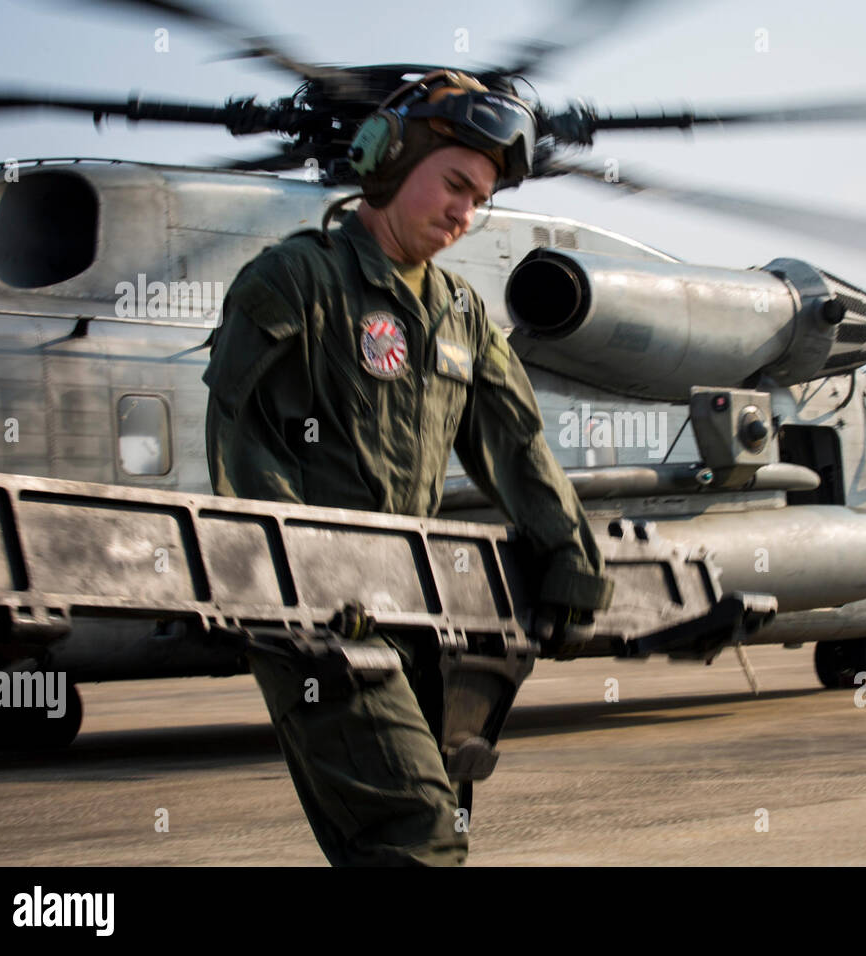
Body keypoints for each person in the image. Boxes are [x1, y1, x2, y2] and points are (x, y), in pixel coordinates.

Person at [203, 72, 613, 866]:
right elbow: (245, 452)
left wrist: (570, 561)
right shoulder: (298, 282)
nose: (464, 213)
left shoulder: (460, 315)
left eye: (479, 198)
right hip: (320, 625)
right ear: (389, 164)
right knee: (415, 835)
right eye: (454, 183)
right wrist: (310, 595)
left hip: (423, 620)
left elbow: (518, 448)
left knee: (430, 834)